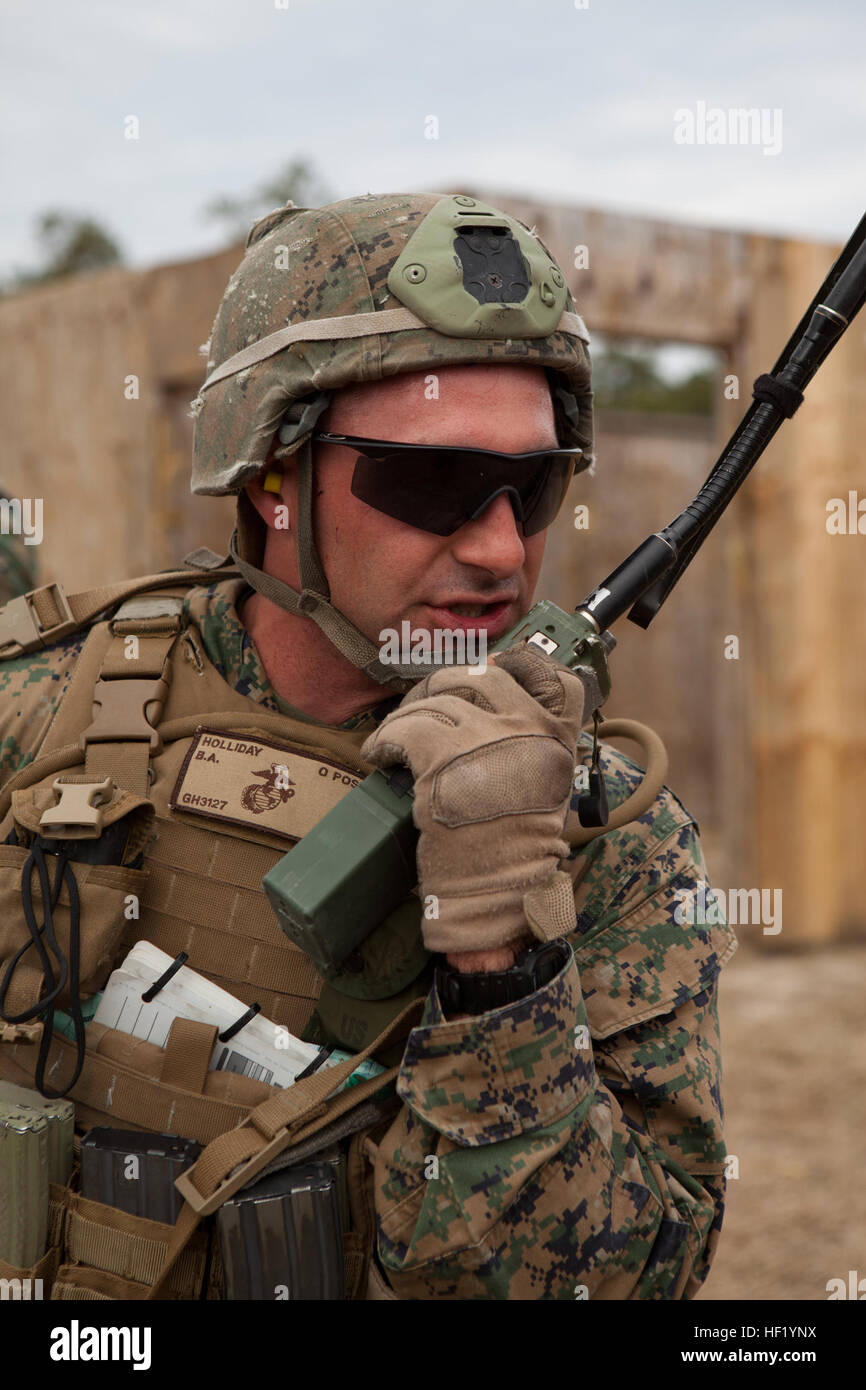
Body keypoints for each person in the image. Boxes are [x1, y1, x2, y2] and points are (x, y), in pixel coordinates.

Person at [0, 191, 735, 1300]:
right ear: (269, 472)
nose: (498, 546)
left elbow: (629, 1285)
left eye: (530, 486)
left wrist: (503, 970)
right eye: (431, 480)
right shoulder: (41, 701)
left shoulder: (610, 840)